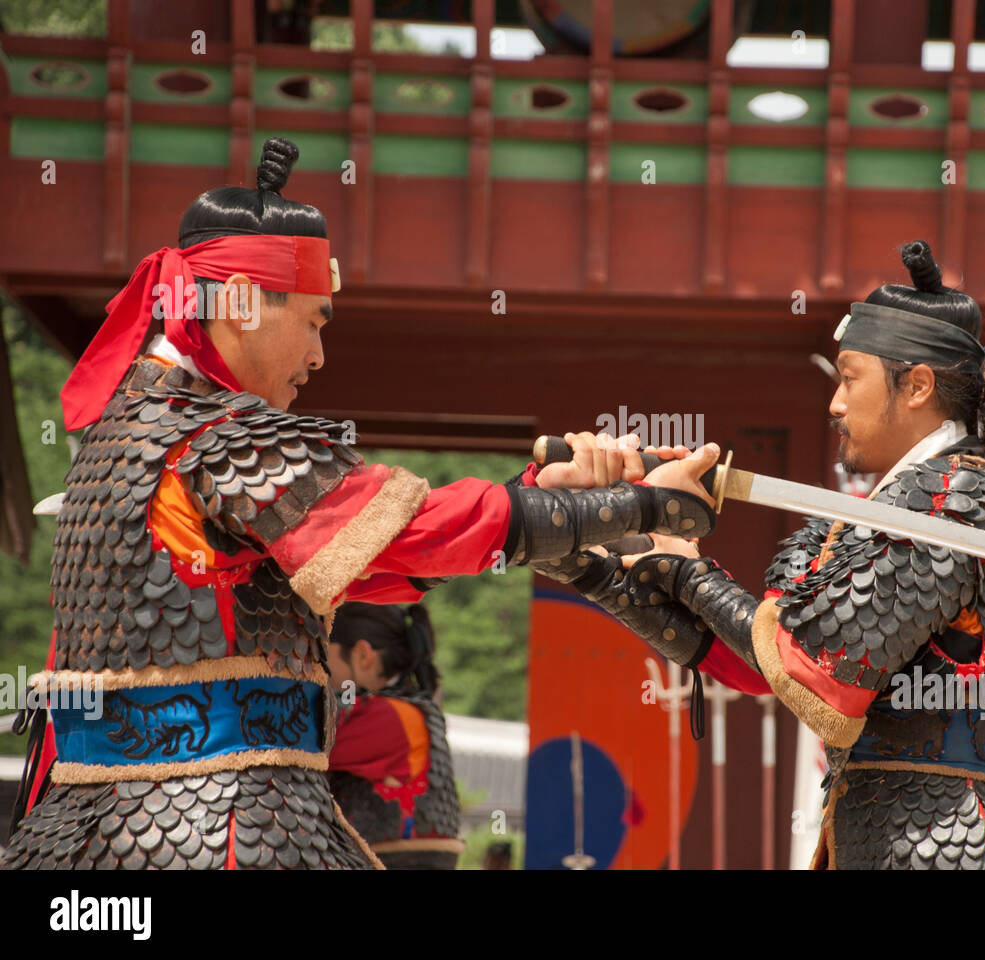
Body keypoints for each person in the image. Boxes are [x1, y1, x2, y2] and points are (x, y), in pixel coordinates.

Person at [2, 137, 716, 870]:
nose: (318, 356)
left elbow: (361, 564)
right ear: (244, 302)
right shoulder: (217, 438)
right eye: (314, 320)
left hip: (97, 836)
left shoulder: (125, 437)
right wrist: (636, 507)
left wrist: (538, 501)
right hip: (215, 832)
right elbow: (404, 537)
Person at [537, 241, 985, 869]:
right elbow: (765, 663)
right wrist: (594, 547)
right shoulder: (900, 505)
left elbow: (815, 673)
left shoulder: (950, 499)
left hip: (969, 842)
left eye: (849, 379)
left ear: (916, 387)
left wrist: (682, 568)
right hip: (914, 835)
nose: (834, 403)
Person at [327, 602, 462, 869]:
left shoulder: (391, 716)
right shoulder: (403, 710)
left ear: (363, 655)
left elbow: (293, 737)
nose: (318, 671)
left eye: (323, 657)